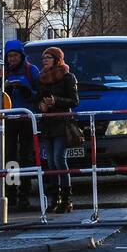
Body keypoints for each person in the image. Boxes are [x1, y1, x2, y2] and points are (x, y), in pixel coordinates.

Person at [36, 46, 79, 214]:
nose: (45, 61)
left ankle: (67, 198)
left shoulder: (68, 77)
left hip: (62, 123)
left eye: (48, 58)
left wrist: (56, 101)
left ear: (57, 59)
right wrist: (41, 105)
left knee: (59, 159)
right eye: (43, 58)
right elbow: (37, 98)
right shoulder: (41, 78)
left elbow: (74, 101)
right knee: (50, 163)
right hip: (47, 123)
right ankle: (55, 198)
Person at [2, 39, 41, 211]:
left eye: (15, 56)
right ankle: (11, 195)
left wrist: (28, 92)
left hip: (26, 119)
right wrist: (6, 90)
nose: (12, 59)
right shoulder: (2, 72)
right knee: (10, 158)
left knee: (25, 158)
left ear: (21, 55)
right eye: (9, 56)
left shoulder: (31, 70)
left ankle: (24, 195)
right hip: (9, 120)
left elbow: (40, 94)